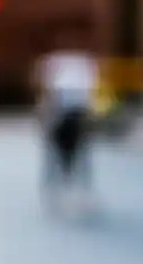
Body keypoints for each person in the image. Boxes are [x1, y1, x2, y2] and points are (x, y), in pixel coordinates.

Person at [36, 50, 97, 205]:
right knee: (66, 155)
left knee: (65, 155)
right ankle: (63, 184)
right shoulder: (72, 78)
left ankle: (61, 184)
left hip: (68, 122)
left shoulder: (69, 79)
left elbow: (49, 103)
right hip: (67, 122)